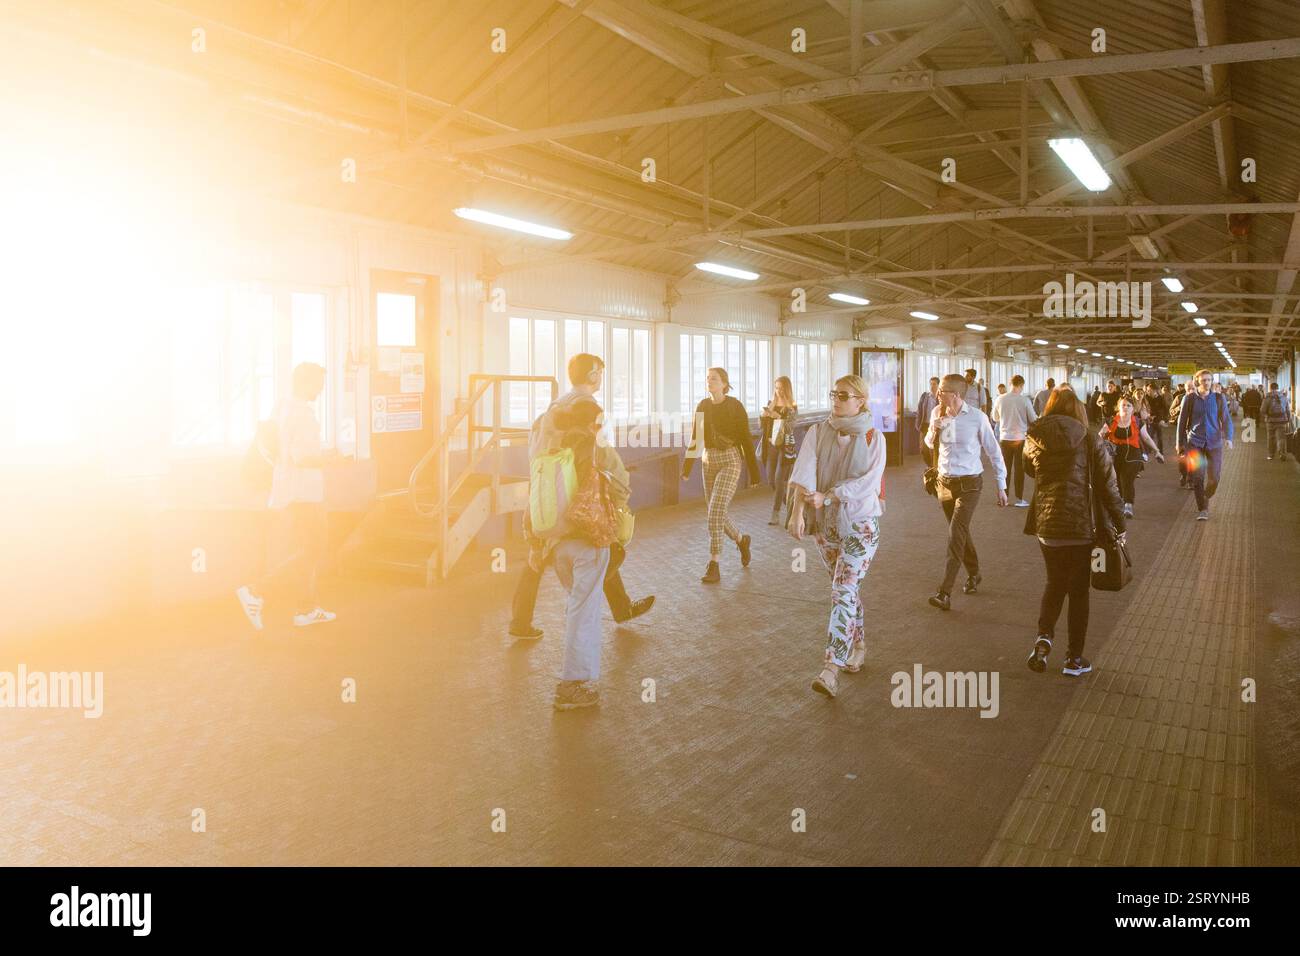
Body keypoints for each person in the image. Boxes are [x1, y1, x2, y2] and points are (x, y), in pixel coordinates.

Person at [510, 353, 653, 639]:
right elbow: (602, 452)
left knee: (540, 553)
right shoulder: (588, 408)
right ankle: (598, 613)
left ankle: (520, 622)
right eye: (600, 371)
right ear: (592, 374)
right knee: (603, 544)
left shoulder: (554, 406)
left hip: (547, 485)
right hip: (576, 489)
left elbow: (535, 449)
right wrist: (620, 487)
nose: (601, 376)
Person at [787, 375, 886, 699]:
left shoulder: (874, 437)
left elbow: (867, 483)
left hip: (861, 523)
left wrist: (829, 496)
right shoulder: (818, 432)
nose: (836, 400)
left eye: (843, 395)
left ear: (861, 400)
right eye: (833, 394)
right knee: (845, 590)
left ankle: (831, 668)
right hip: (826, 525)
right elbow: (804, 471)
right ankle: (858, 645)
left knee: (842, 589)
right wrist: (797, 512)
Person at [529, 399, 630, 711]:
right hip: (589, 540)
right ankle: (573, 685)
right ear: (592, 424)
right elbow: (622, 486)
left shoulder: (549, 450)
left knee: (577, 607)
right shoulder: (598, 448)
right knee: (583, 613)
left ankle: (575, 678)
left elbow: (534, 495)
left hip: (557, 544)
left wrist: (533, 544)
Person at [1023, 387, 1127, 677]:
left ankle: (1044, 639)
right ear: (1079, 409)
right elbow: (1109, 485)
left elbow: (1029, 470)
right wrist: (1120, 524)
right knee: (1079, 591)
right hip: (1082, 527)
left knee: (1054, 583)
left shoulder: (1034, 436)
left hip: (1047, 525)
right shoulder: (1090, 437)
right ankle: (1074, 659)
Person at [236, 362, 340, 631]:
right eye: (318, 384)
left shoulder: (281, 406)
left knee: (307, 549)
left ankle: (305, 609)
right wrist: (328, 459)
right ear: (306, 383)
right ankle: (257, 590)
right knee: (315, 548)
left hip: (287, 490)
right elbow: (302, 457)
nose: (320, 389)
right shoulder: (303, 415)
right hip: (305, 492)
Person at [924, 373, 1008, 611]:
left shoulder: (977, 418)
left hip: (970, 484)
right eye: (938, 391)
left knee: (955, 533)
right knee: (960, 532)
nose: (937, 394)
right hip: (944, 482)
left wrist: (1001, 485)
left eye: (942, 391)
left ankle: (945, 592)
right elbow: (930, 444)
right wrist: (933, 428)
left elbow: (994, 451)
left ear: (956, 394)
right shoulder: (936, 413)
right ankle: (975, 573)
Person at [683, 367, 760, 584]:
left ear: (724, 383)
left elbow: (745, 438)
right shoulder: (703, 406)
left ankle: (714, 564)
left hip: (730, 459)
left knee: (715, 510)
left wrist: (754, 473)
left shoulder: (734, 406)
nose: (710, 382)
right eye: (707, 378)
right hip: (709, 460)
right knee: (716, 513)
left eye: (714, 379)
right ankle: (741, 539)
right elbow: (696, 438)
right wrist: (687, 467)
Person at [1176, 368, 1234, 521]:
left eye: (1209, 380)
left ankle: (1206, 495)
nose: (1207, 383)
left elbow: (1226, 419)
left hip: (1214, 443)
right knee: (1197, 477)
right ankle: (1202, 508)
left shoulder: (1218, 398)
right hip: (1195, 443)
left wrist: (1229, 437)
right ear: (1197, 382)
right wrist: (1179, 443)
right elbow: (1181, 423)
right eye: (1203, 380)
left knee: (1214, 477)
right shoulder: (1189, 399)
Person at [1099, 395, 1165, 518]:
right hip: (1115, 455)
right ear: (1118, 407)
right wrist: (1100, 444)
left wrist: (1157, 451)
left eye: (1128, 405)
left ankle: (1128, 504)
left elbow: (1146, 437)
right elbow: (1100, 436)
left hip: (1133, 454)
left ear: (1133, 409)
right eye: (1123, 405)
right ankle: (1120, 503)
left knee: (1126, 478)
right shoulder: (1111, 421)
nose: (1125, 407)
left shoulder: (1138, 422)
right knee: (1117, 480)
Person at [991, 374, 1037, 507]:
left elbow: (995, 418)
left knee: (1004, 469)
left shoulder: (1000, 399)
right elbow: (1033, 419)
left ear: (1010, 384)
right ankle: (1019, 499)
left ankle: (1003, 498)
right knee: (1019, 469)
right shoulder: (1025, 400)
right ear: (1021, 385)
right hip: (1020, 439)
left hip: (1005, 438)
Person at [760, 376, 798, 526]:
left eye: (782, 388)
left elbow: (790, 427)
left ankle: (775, 513)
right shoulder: (771, 404)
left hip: (784, 447)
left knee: (778, 479)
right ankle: (791, 504)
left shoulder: (792, 406)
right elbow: (762, 426)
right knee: (771, 481)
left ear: (787, 389)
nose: (779, 391)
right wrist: (763, 416)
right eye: (777, 388)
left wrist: (779, 417)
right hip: (770, 446)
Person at [1262, 382, 1291, 460]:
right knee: (1281, 438)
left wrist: (1265, 416)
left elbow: (1262, 410)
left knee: (1271, 438)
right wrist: (1288, 419)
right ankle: (1282, 454)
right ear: (1278, 387)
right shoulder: (1283, 397)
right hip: (1282, 420)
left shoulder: (1268, 397)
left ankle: (1271, 455)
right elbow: (1288, 410)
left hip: (1270, 421)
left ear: (1271, 388)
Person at [917, 377, 941, 468]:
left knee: (936, 448)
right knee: (923, 449)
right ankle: (931, 466)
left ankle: (936, 467)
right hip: (925, 425)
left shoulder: (940, 397)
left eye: (934, 384)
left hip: (936, 426)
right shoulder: (925, 396)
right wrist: (918, 424)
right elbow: (919, 410)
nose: (932, 386)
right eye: (931, 384)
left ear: (938, 385)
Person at [1143, 382, 1167, 454]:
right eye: (1147, 390)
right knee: (1149, 436)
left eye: (1149, 390)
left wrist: (1164, 419)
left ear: (1155, 390)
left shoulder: (1160, 398)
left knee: (1159, 437)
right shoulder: (1146, 397)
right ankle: (1149, 450)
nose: (1148, 392)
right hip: (1149, 420)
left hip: (1158, 420)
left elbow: (1165, 409)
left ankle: (1160, 451)